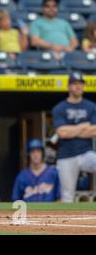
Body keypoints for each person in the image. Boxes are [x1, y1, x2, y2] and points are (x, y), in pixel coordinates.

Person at [52, 72, 96, 203]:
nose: (78, 87)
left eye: (80, 84)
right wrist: (82, 126)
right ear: (68, 87)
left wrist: (71, 129)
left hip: (85, 153)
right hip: (66, 155)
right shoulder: (60, 108)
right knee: (67, 195)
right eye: (75, 84)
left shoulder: (91, 106)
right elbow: (61, 133)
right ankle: (68, 221)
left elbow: (94, 131)